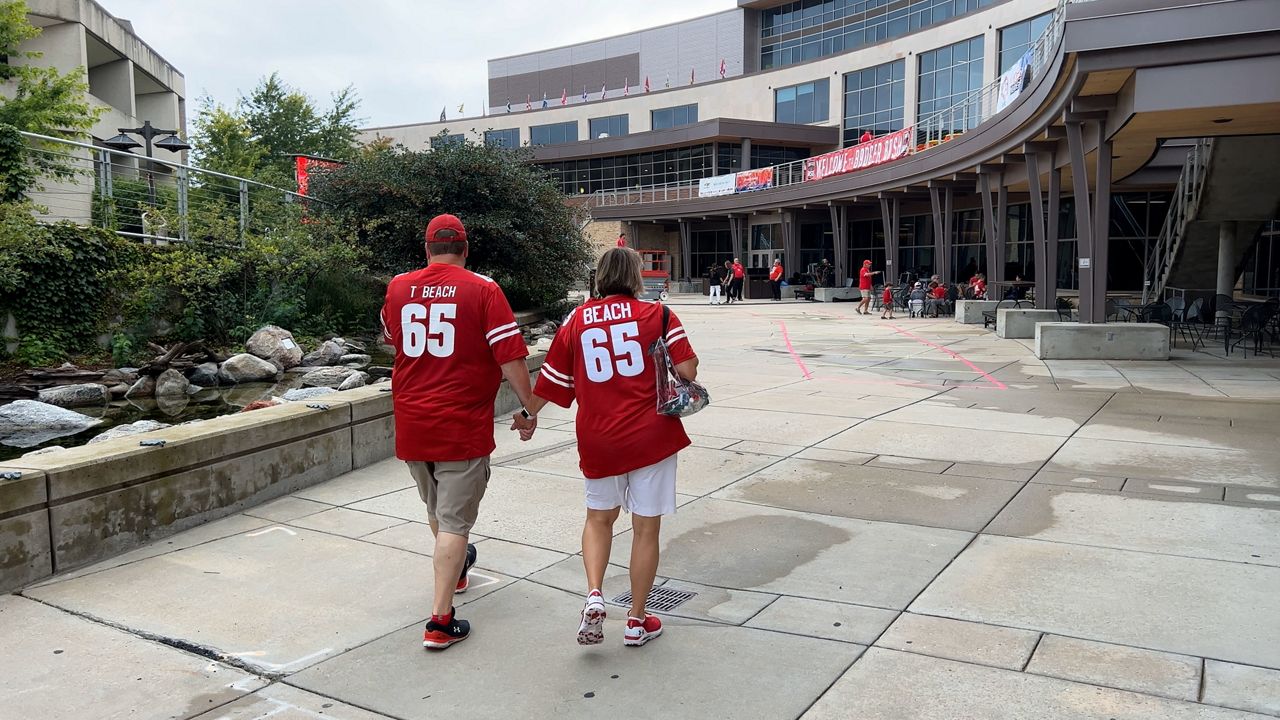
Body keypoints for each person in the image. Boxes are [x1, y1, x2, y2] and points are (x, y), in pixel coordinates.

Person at [514, 247, 699, 648]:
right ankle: (636, 619)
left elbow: (551, 381)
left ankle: (595, 593)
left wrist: (528, 415)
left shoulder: (577, 319)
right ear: (636, 277)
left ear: (599, 277)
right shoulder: (658, 315)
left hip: (599, 438)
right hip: (652, 436)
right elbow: (687, 369)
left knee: (598, 520)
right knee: (645, 529)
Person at [380, 214, 534, 651]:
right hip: (460, 424)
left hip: (412, 422)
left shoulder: (397, 287)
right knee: (453, 521)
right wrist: (529, 407)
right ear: (465, 249)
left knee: (437, 510)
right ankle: (440, 620)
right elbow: (511, 357)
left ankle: (458, 569)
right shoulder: (483, 289)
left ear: (426, 249)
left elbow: (392, 339)